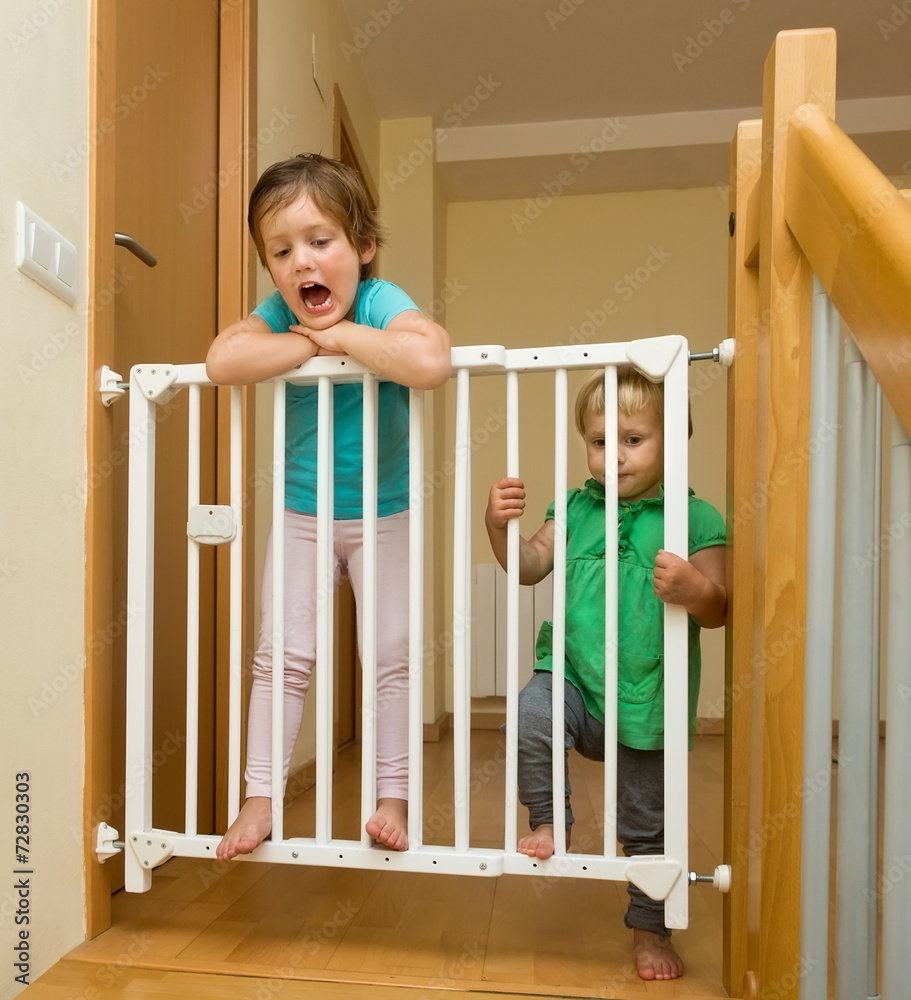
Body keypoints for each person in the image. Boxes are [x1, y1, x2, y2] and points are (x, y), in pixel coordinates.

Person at [207, 153, 450, 860]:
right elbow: (223, 360)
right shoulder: (279, 316)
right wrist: (294, 342)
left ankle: (392, 799)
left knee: (392, 654)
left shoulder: (377, 304)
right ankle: (260, 800)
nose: (302, 263)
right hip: (301, 514)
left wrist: (341, 338)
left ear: (363, 248)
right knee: (279, 656)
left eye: (320, 242)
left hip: (385, 511)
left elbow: (429, 359)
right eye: (281, 251)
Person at [485, 367, 726, 981]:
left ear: (673, 440)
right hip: (572, 677)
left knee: (649, 825)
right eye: (598, 441)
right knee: (531, 714)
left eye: (632, 439)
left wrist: (696, 587)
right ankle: (549, 820)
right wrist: (498, 528)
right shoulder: (571, 508)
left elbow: (720, 607)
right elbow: (530, 564)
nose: (612, 456)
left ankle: (650, 931)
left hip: (649, 699)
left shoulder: (695, 520)